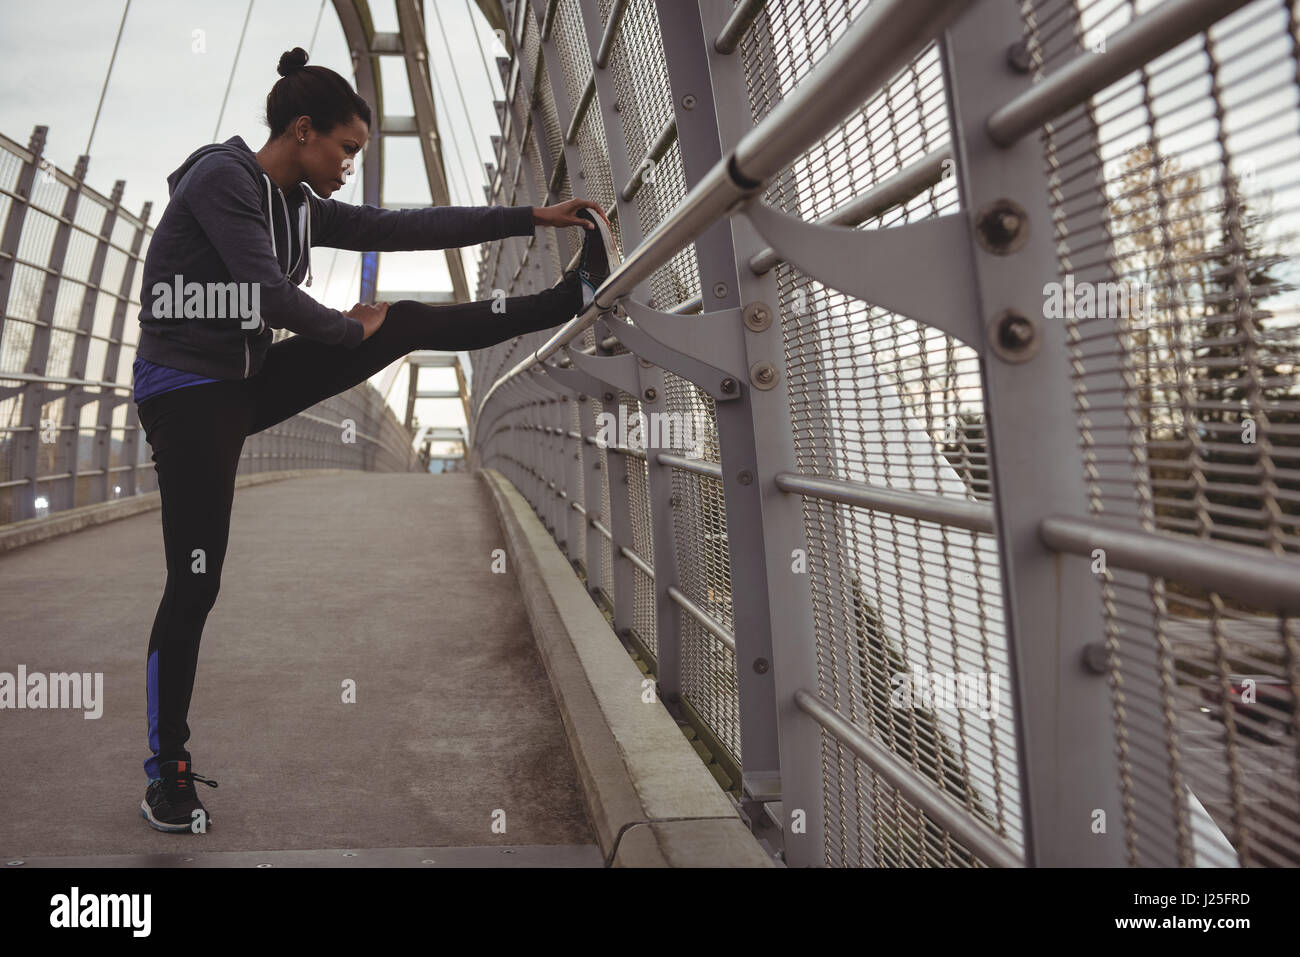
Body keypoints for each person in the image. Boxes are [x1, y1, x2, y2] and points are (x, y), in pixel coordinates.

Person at [135, 45, 618, 833]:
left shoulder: (298, 201)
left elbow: (406, 226)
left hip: (245, 376)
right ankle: (166, 772)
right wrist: (340, 327)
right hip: (189, 394)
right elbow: (263, 291)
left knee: (409, 318)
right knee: (195, 580)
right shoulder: (223, 180)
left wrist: (533, 215)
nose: (350, 167)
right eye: (346, 150)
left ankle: (570, 296)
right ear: (302, 130)